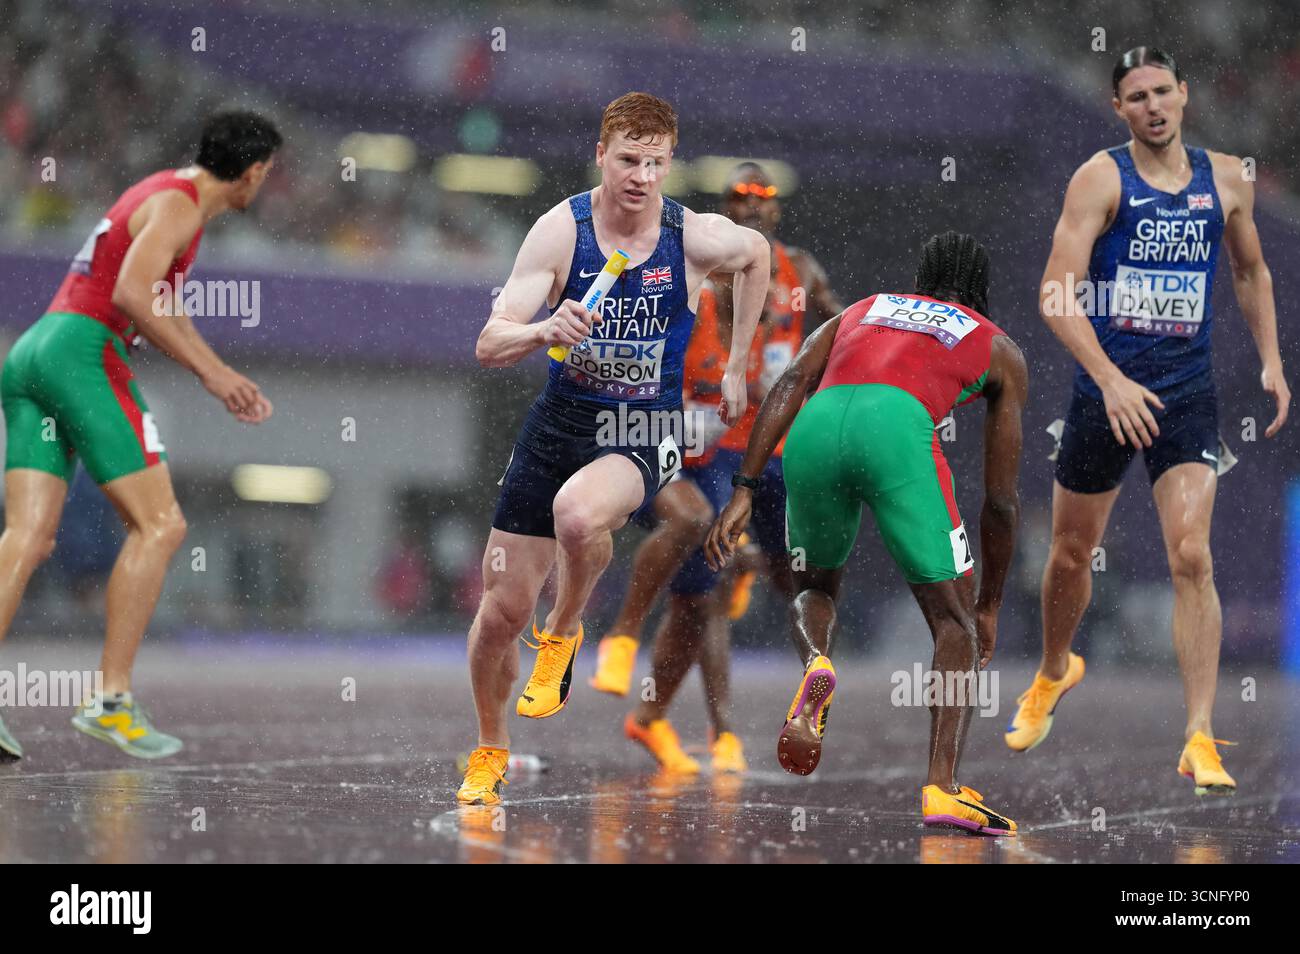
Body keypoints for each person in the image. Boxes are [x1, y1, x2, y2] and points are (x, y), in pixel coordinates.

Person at [457, 92, 769, 805]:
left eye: (656, 163)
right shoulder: (560, 232)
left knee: (577, 517)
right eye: (629, 159)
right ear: (601, 154)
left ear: (669, 164)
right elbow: (488, 342)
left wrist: (735, 365)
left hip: (642, 429)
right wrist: (543, 330)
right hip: (558, 426)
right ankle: (489, 748)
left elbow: (757, 257)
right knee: (500, 615)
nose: (641, 176)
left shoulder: (691, 238)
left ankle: (564, 633)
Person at [1005, 48, 1290, 797]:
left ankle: (1199, 734)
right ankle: (1053, 671)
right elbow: (1054, 295)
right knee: (1071, 555)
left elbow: (1251, 270)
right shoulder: (1101, 179)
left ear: (1185, 95)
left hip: (1187, 396)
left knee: (1192, 556)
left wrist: (1270, 360)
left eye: (1164, 91)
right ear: (1119, 109)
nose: (1154, 106)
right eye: (1137, 97)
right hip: (1106, 394)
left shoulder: (1228, 176)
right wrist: (1110, 380)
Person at [707, 232, 1028, 836]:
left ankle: (817, 663)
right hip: (897, 429)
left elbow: (790, 383)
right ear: (980, 291)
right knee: (951, 623)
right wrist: (987, 605)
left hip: (814, 427)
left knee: (814, 585)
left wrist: (746, 488)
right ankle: (943, 787)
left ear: (922, 280)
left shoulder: (866, 308)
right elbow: (1003, 502)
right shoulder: (999, 347)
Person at [0, 111, 280, 760]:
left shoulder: (162, 191)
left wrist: (217, 369)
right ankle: (111, 700)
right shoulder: (182, 210)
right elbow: (132, 294)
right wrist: (214, 377)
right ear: (254, 172)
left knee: (29, 535)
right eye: (267, 173)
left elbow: (162, 302)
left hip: (34, 348)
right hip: (81, 351)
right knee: (162, 526)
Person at [591, 162, 843, 775]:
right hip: (702, 448)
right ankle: (713, 723)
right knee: (699, 588)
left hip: (777, 444)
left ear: (776, 211)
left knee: (799, 579)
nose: (751, 206)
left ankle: (802, 670)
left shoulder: (795, 271)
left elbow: (844, 327)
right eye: (739, 197)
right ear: (723, 208)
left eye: (762, 198)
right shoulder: (691, 268)